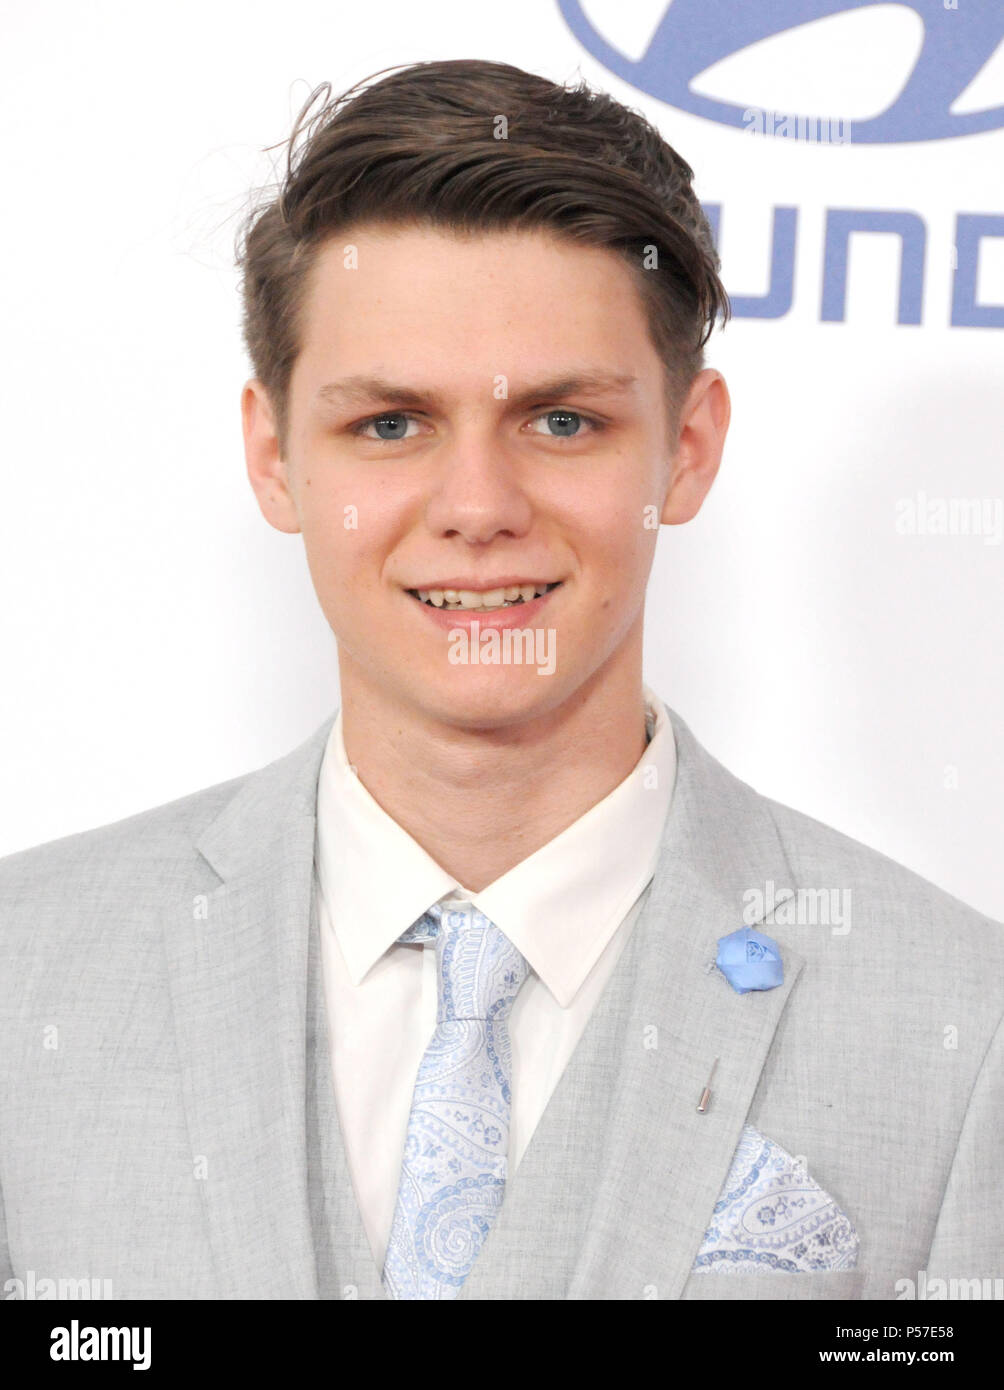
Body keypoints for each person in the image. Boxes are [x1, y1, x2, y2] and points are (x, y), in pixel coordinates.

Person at [1, 59, 1001, 1303]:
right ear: (272, 458)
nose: (477, 508)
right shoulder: (20, 975)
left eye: (561, 421)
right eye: (389, 424)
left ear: (685, 452)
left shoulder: (966, 1032)